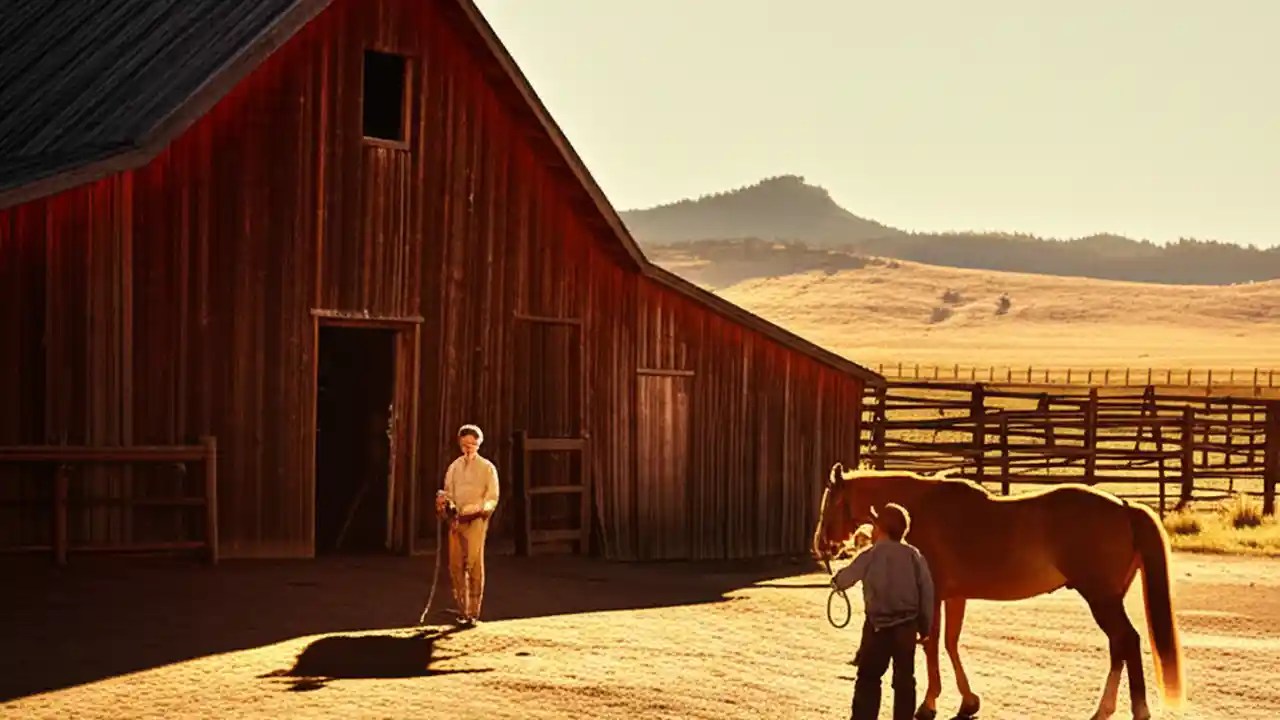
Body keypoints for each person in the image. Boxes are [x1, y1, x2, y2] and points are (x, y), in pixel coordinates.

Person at [831, 503, 935, 720]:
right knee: (905, 681)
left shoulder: (870, 555)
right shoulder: (914, 556)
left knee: (869, 678)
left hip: (876, 628)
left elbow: (847, 577)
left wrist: (837, 582)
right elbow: (927, 592)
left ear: (880, 528)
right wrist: (925, 627)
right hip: (906, 627)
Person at [436, 424, 499, 626]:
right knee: (455, 565)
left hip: (476, 521)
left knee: (473, 563)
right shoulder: (454, 467)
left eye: (472, 443)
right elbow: (449, 491)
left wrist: (480, 508)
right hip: (456, 520)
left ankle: (474, 612)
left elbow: (492, 496)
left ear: (479, 444)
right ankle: (462, 609)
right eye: (465, 444)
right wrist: (445, 502)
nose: (468, 447)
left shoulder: (487, 468)